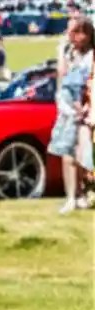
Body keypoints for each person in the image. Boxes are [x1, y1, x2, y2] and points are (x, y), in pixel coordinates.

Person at [49, 16, 94, 214]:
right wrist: (61, 53)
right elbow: (62, 79)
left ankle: (84, 194)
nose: (71, 36)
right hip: (68, 110)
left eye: (76, 32)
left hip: (87, 110)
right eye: (70, 32)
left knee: (83, 156)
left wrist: (86, 106)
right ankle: (71, 197)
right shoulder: (69, 54)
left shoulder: (91, 56)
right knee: (67, 156)